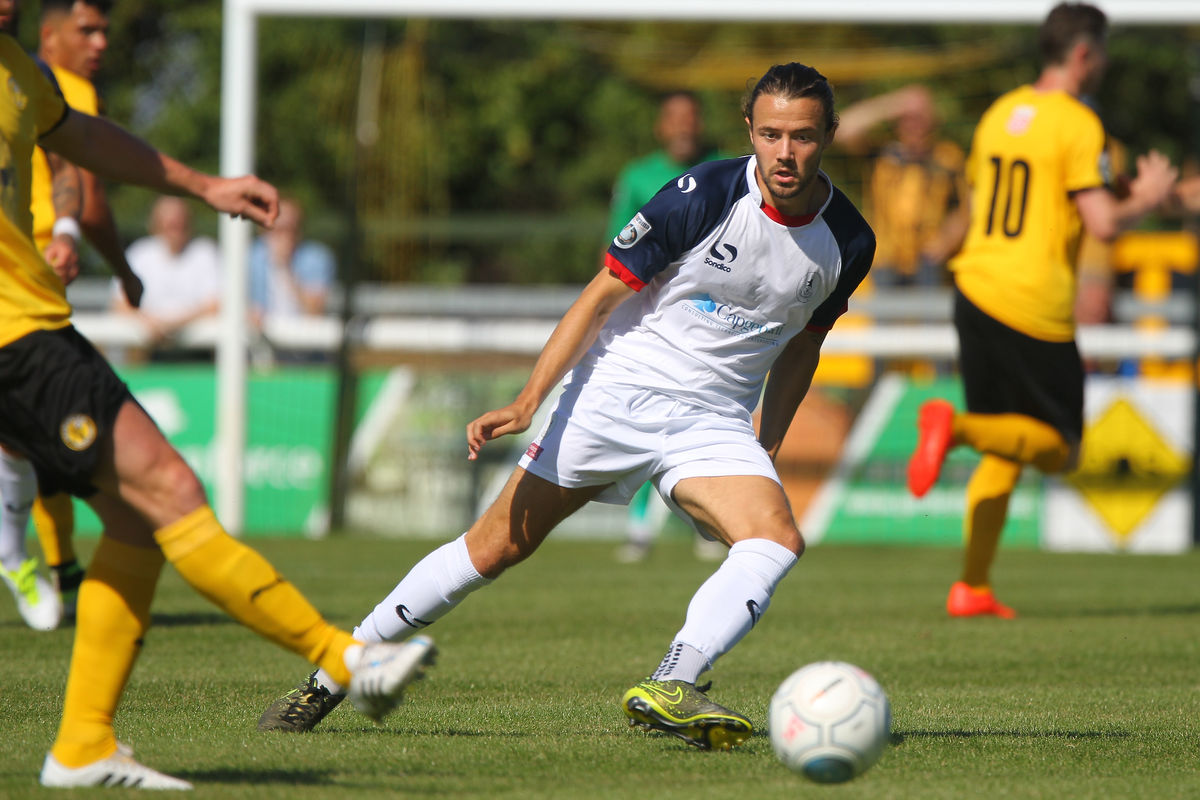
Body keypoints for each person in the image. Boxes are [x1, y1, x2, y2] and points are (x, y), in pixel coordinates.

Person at [257, 62, 875, 752]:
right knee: (494, 548)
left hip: (713, 420)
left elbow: (804, 344)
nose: (785, 153)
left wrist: (769, 441)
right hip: (618, 393)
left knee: (775, 539)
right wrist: (528, 400)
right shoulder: (697, 197)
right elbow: (598, 297)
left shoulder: (849, 240)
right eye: (770, 134)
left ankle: (675, 681)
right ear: (748, 131)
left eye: (802, 136)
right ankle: (333, 674)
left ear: (830, 135)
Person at [0, 21, 436, 789]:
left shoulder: (18, 70)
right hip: (13, 337)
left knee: (137, 515)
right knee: (167, 489)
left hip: (31, 323)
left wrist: (203, 185)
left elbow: (84, 140)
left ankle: (81, 745)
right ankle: (347, 658)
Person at [905, 2, 1177, 619]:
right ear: (1084, 54)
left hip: (974, 288)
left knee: (1010, 446)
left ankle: (971, 585)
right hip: (1033, 304)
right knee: (1060, 448)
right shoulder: (1080, 124)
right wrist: (1153, 199)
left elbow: (980, 206)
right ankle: (956, 427)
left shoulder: (1002, 112)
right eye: (1102, 53)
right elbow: (1104, 224)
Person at [607, 90, 726, 564]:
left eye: (690, 119)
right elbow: (615, 248)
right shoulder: (637, 176)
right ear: (661, 126)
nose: (683, 127)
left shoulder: (726, 169)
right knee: (646, 417)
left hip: (712, 316)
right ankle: (641, 528)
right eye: (673, 119)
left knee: (710, 419)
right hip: (654, 315)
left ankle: (707, 522)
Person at [836, 84, 969, 288]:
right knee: (886, 318)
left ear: (933, 120)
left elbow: (964, 210)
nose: (914, 125)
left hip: (929, 262)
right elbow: (842, 130)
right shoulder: (883, 154)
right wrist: (894, 104)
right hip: (885, 260)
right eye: (908, 118)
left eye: (920, 118)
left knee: (931, 319)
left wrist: (946, 240)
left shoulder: (947, 159)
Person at [111, 195, 222, 357]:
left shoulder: (205, 252)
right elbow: (119, 304)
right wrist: (149, 323)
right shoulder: (140, 254)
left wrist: (172, 325)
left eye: (180, 222)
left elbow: (218, 304)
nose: (175, 227)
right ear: (156, 224)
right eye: (170, 223)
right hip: (148, 351)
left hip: (200, 353)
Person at [248, 196, 335, 325]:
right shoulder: (249, 256)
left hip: (303, 339)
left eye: (291, 228)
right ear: (263, 228)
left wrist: (285, 267)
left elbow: (314, 311)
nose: (285, 236)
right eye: (278, 228)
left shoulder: (316, 257)